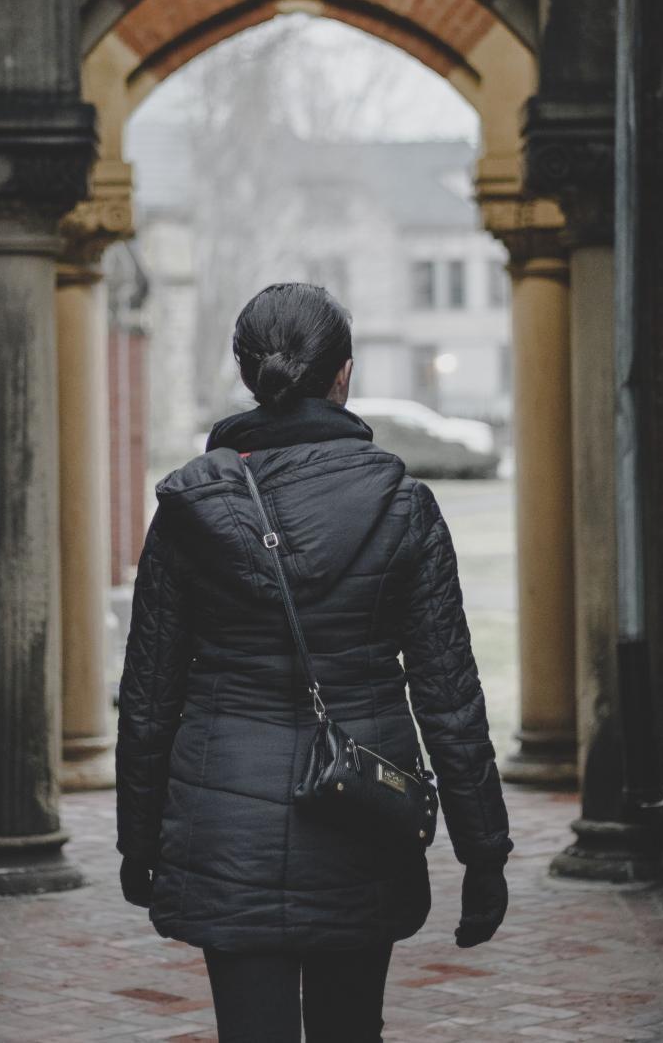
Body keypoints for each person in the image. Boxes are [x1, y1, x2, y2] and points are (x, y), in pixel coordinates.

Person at [116, 282, 513, 1043]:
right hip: (361, 812)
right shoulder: (404, 507)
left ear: (247, 374)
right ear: (344, 375)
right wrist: (483, 853)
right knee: (350, 1029)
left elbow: (148, 697)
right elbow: (449, 697)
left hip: (224, 817)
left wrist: (140, 840)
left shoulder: (189, 513)